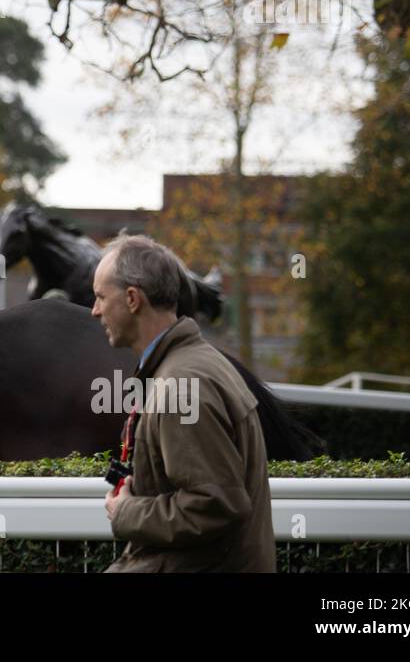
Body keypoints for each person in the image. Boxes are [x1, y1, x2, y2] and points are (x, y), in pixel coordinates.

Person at [92, 234, 276, 572]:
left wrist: (125, 512)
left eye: (101, 297)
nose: (95, 311)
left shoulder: (180, 385)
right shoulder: (191, 365)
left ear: (132, 299)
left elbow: (215, 505)